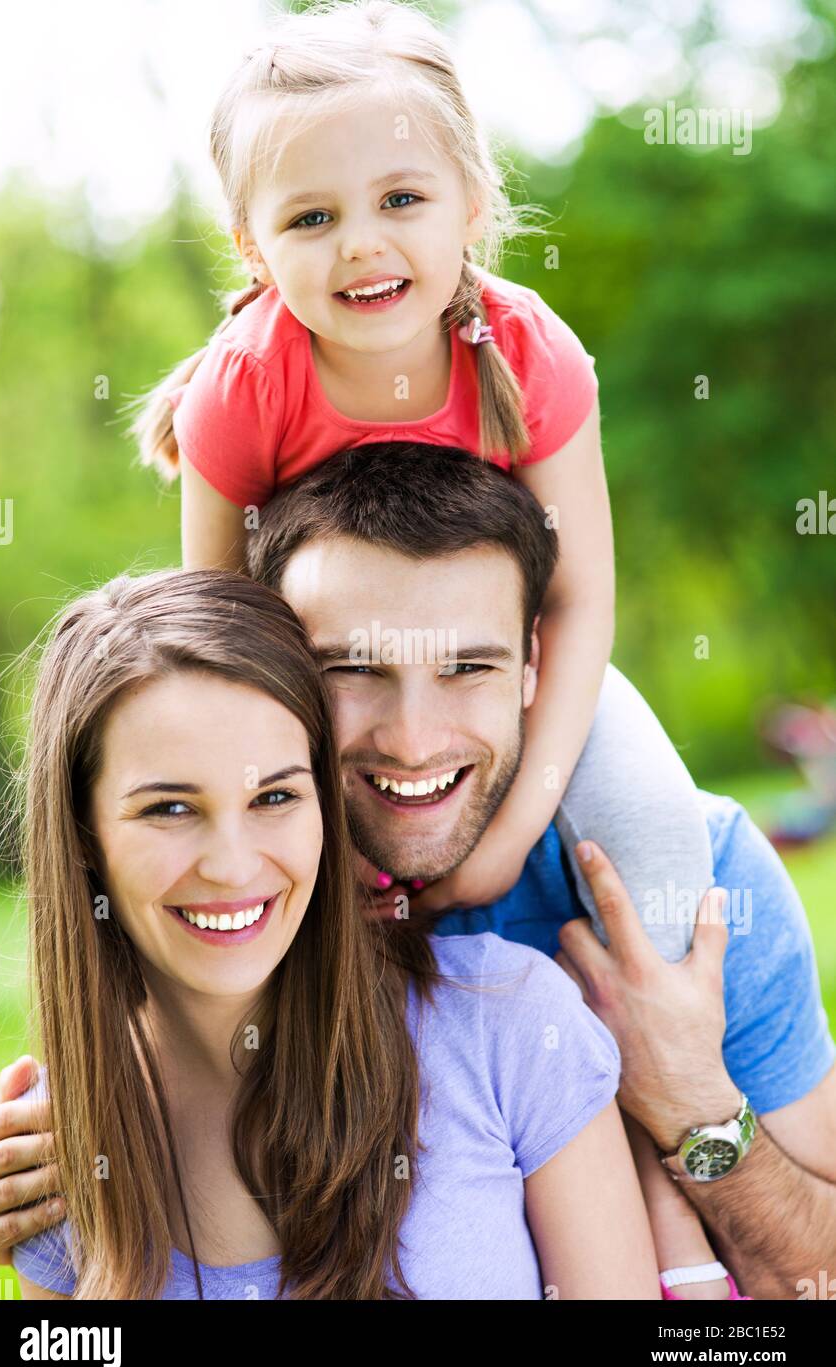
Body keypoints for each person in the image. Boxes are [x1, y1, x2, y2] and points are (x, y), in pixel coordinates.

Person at [0, 445, 834, 1296]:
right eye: (352, 668)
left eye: (468, 668)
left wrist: (693, 1107)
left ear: (534, 666)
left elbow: (818, 1273)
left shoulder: (689, 889)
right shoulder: (223, 898)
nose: (414, 740)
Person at [128, 0, 712, 963]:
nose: (361, 242)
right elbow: (228, 639)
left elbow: (577, 603)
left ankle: (659, 1057)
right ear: (251, 245)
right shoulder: (240, 392)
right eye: (312, 217)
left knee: (655, 828)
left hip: (503, 672)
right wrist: (305, 806)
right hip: (326, 692)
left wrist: (512, 835)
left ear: (472, 203)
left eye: (402, 200)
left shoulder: (530, 357)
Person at [0, 567, 662, 1300]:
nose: (233, 866)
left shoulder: (507, 1027)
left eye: (274, 796)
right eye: (170, 809)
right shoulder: (51, 1154)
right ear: (83, 835)